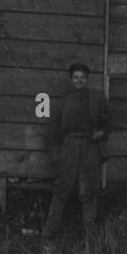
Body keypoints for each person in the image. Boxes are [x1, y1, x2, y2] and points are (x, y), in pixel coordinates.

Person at [42, 62, 109, 240]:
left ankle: (90, 235)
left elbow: (108, 122)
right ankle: (49, 232)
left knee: (89, 189)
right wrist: (55, 154)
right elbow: (53, 131)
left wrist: (101, 133)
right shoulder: (62, 101)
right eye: (76, 77)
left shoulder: (98, 97)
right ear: (71, 80)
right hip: (69, 145)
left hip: (90, 145)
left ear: (87, 80)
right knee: (62, 188)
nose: (79, 80)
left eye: (83, 77)